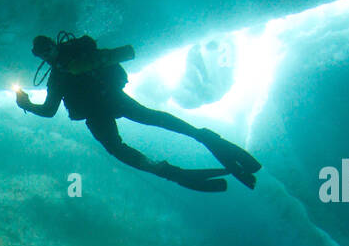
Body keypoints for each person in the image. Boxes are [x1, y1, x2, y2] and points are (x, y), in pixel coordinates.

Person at [15, 33, 261, 192]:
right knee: (149, 122)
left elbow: (48, 111)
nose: (47, 54)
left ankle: (178, 161)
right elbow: (50, 110)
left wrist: (26, 104)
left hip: (101, 106)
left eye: (45, 50)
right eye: (43, 52)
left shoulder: (60, 74)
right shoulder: (76, 57)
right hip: (108, 100)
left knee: (125, 142)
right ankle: (199, 141)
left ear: (46, 52)